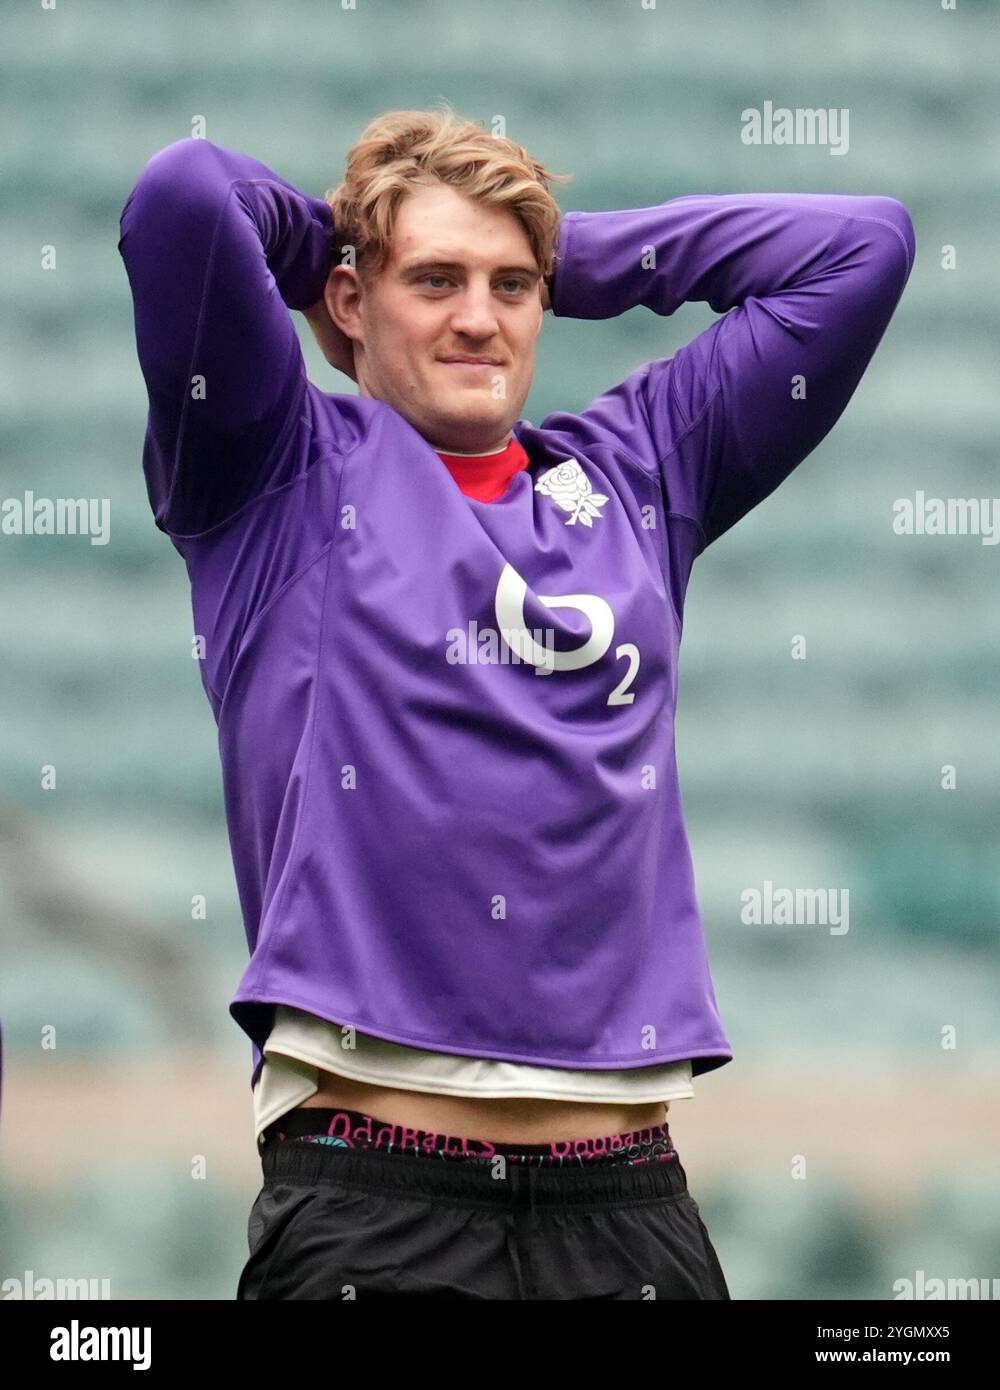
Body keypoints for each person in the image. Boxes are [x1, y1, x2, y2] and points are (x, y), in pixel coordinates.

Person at [118, 105, 915, 1301]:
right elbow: (183, 195)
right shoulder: (275, 470)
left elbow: (864, 248)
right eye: (433, 279)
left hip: (632, 1201)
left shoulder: (643, 468)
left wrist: (575, 253)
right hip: (373, 1204)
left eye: (511, 284)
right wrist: (336, 239)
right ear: (349, 304)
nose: (480, 317)